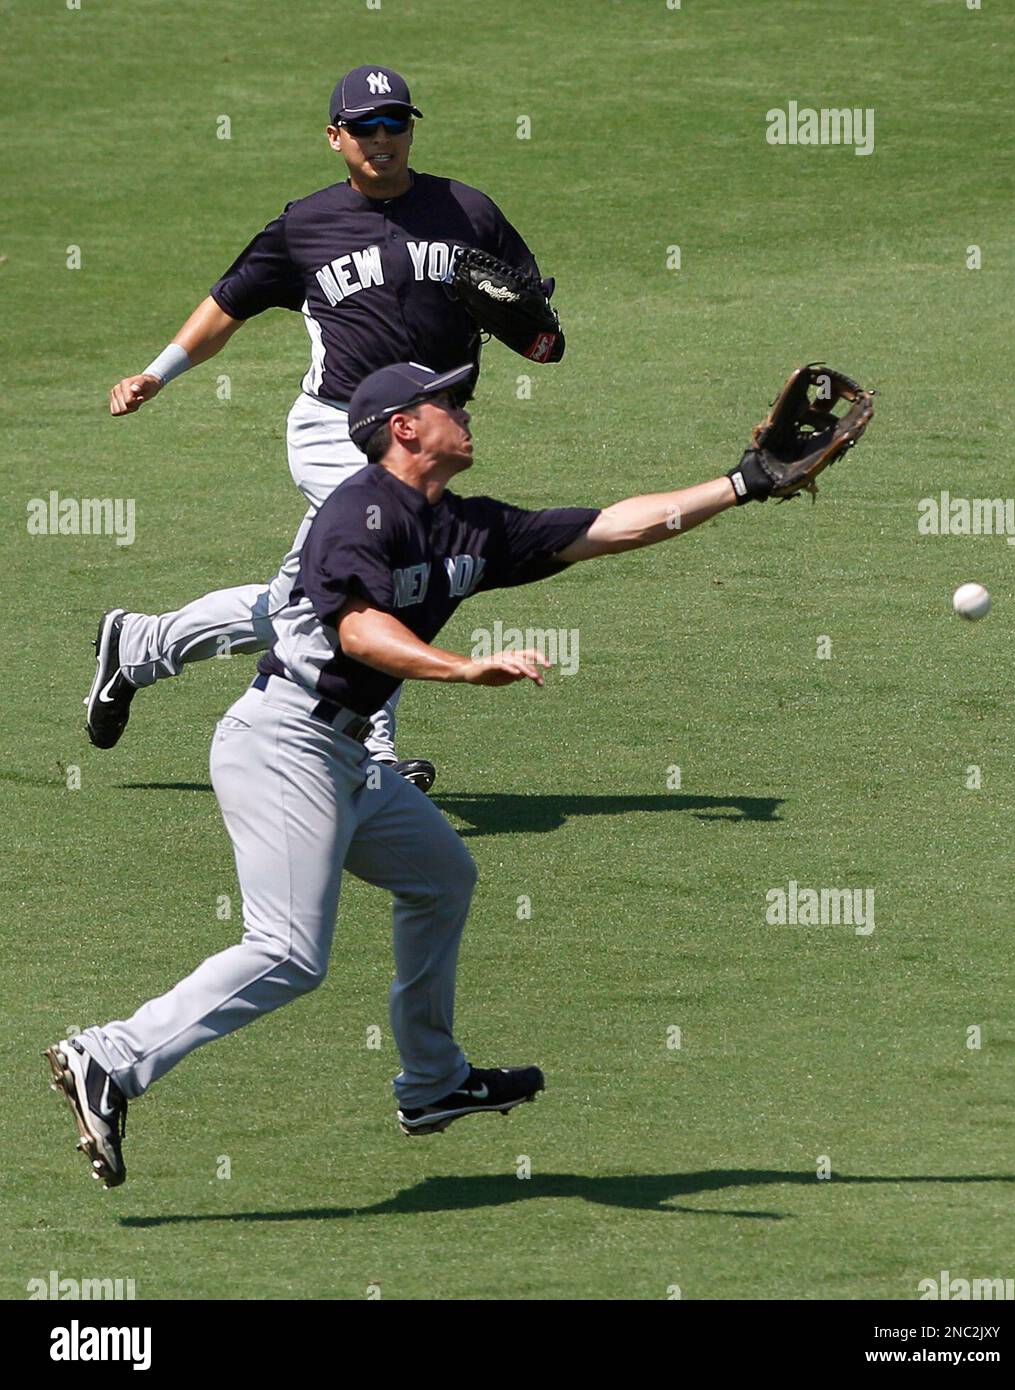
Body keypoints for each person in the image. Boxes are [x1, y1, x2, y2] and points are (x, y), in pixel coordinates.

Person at [46, 358, 779, 1188]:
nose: (465, 408)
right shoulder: (353, 516)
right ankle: (112, 1055)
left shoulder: (465, 526)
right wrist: (463, 668)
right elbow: (359, 633)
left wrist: (741, 484)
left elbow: (613, 527)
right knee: (289, 953)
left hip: (346, 755)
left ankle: (432, 1084)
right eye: (446, 402)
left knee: (441, 878)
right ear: (404, 428)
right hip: (283, 744)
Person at [89, 63, 564, 792]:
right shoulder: (305, 225)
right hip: (335, 428)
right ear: (335, 137)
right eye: (365, 127)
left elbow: (531, 312)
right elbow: (228, 305)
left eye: (395, 124)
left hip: (424, 431)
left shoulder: (469, 210)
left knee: (296, 604)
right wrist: (159, 372)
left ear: (411, 130)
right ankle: (371, 748)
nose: (383, 139)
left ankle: (140, 644)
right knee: (392, 559)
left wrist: (538, 333)